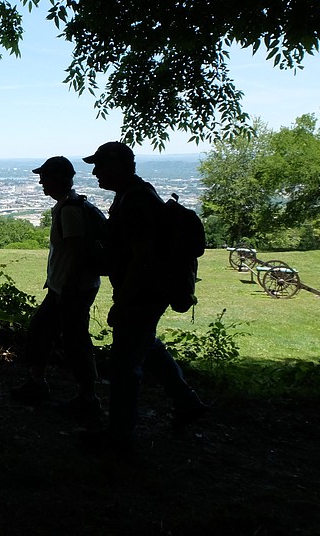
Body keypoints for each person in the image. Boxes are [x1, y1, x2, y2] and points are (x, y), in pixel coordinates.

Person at [83, 141, 207, 448]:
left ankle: (120, 434)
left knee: (124, 364)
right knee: (146, 345)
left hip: (141, 292)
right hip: (149, 290)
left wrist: (122, 302)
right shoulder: (136, 194)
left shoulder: (134, 201)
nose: (96, 172)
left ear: (117, 167)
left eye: (100, 166)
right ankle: (187, 401)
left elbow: (143, 258)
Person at [10, 156, 106, 425]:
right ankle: (44, 384)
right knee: (47, 333)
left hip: (71, 289)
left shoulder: (69, 210)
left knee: (72, 341)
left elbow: (77, 252)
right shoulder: (71, 205)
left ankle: (87, 398)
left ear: (59, 179)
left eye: (45, 177)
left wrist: (67, 289)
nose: (41, 182)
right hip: (68, 287)